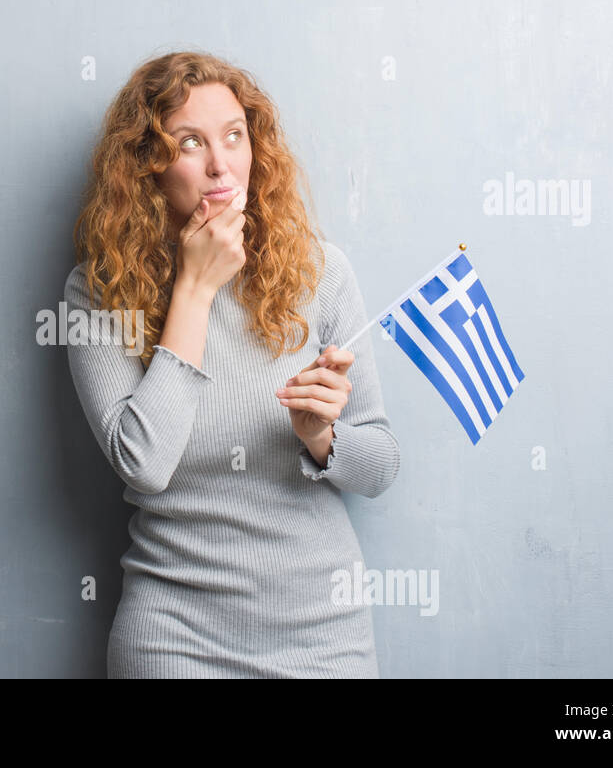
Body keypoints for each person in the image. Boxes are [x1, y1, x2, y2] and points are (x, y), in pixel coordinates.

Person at [63, 51, 401, 678]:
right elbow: (145, 464)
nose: (221, 165)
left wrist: (322, 438)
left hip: (323, 636)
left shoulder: (318, 271)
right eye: (190, 143)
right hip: (175, 638)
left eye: (234, 137)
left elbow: (380, 465)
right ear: (149, 166)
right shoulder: (99, 291)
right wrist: (194, 289)